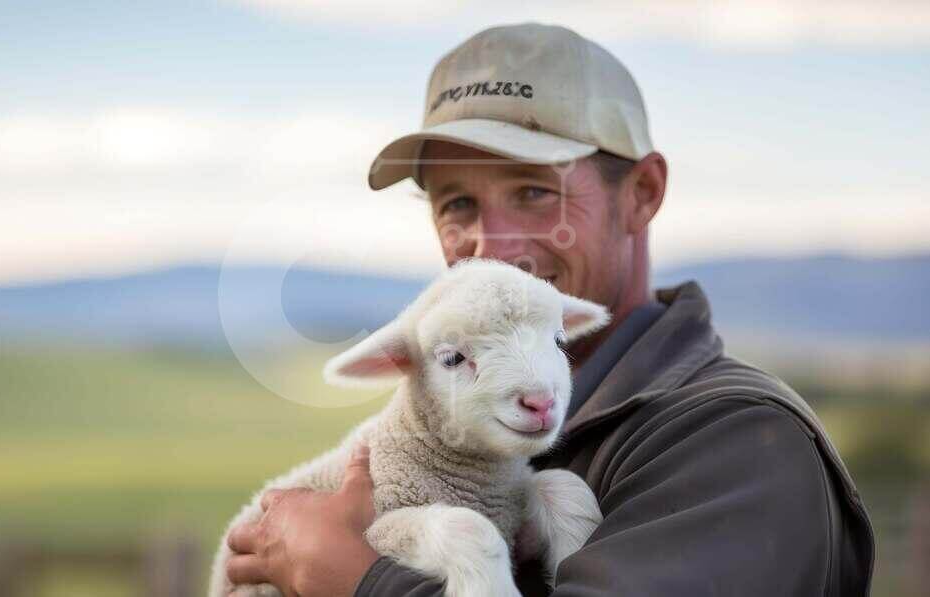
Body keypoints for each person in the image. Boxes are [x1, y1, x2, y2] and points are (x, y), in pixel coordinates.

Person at [224, 22, 874, 596]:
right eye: (456, 204)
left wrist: (357, 578)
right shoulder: (471, 429)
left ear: (641, 194)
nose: (491, 248)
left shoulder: (735, 445)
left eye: (534, 191)